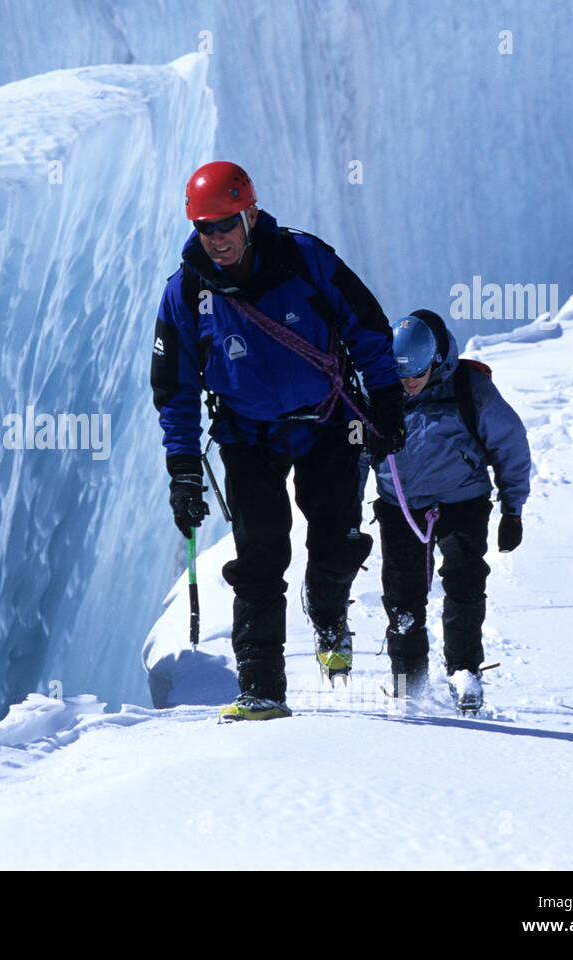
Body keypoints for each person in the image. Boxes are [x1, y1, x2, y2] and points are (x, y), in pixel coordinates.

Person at [151, 161, 405, 721]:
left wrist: (386, 399)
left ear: (248, 214)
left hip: (328, 420)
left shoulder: (304, 258)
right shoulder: (186, 292)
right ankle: (262, 689)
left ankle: (327, 608)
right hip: (248, 436)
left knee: (338, 542)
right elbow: (175, 390)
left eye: (224, 224)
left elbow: (365, 325)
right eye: (204, 227)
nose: (215, 238)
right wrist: (184, 470)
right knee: (261, 557)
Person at [363, 309, 530, 713]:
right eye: (401, 373)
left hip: (462, 502)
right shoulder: (380, 393)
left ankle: (464, 671)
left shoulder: (471, 390)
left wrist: (513, 510)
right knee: (402, 596)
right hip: (400, 506)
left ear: (437, 362)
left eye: (416, 373)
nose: (408, 383)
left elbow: (511, 447)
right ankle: (408, 683)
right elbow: (354, 453)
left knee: (464, 578)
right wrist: (344, 518)